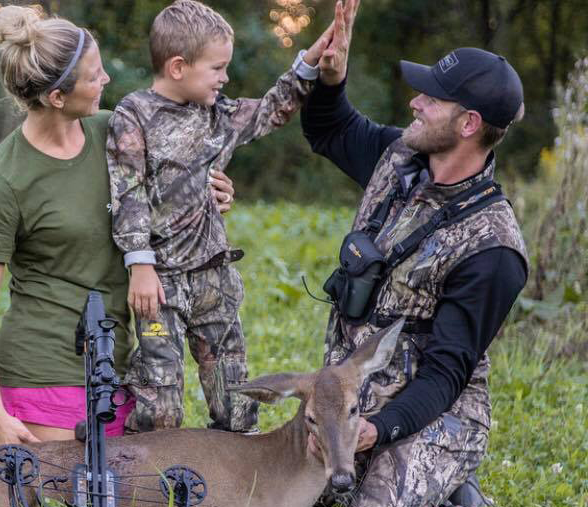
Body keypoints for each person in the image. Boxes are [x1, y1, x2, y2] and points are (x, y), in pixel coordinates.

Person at [0, 4, 239, 487]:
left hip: (124, 360)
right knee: (74, 490)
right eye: (93, 75)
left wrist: (212, 193)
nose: (107, 78)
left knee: (138, 488)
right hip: (46, 369)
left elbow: (173, 186)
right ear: (58, 96)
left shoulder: (117, 131)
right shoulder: (4, 180)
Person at [300, 1, 527, 505]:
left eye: (432, 98)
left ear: (468, 124)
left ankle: (454, 484)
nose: (415, 103)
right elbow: (329, 129)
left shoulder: (493, 248)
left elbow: (446, 374)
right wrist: (330, 79)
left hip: (437, 415)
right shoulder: (399, 157)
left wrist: (378, 431)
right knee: (286, 490)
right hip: (353, 398)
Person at [107, 0, 335, 434]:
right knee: (161, 412)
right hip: (161, 286)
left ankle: (233, 480)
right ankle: (128, 458)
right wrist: (139, 263)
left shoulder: (219, 116)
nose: (225, 78)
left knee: (237, 410)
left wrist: (310, 61)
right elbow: (128, 191)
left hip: (215, 281)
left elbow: (274, 108)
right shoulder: (133, 114)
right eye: (216, 68)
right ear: (178, 67)